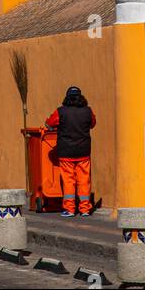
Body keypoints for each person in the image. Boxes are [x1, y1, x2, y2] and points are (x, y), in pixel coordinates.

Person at [45, 86, 97, 217]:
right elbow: (93, 123)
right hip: (83, 151)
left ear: (67, 98)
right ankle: (85, 209)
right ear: (81, 97)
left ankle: (69, 209)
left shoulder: (60, 112)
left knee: (68, 180)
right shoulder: (88, 111)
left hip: (66, 152)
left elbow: (49, 124)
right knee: (84, 180)